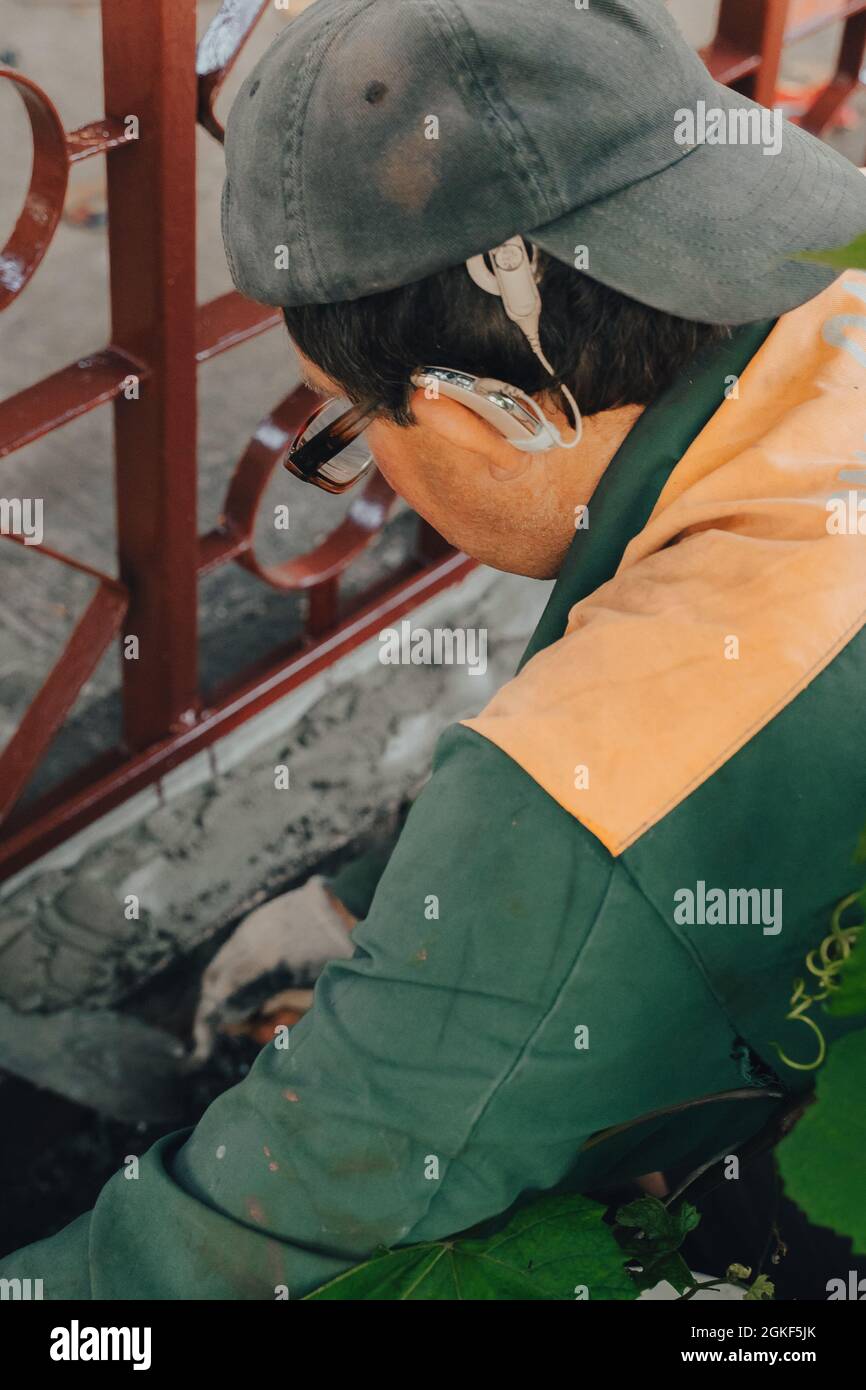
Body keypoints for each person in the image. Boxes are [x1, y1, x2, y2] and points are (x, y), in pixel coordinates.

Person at [3, 0, 866, 1299]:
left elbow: (260, 1231)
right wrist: (376, 890)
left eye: (348, 418)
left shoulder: (590, 785)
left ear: (486, 410)